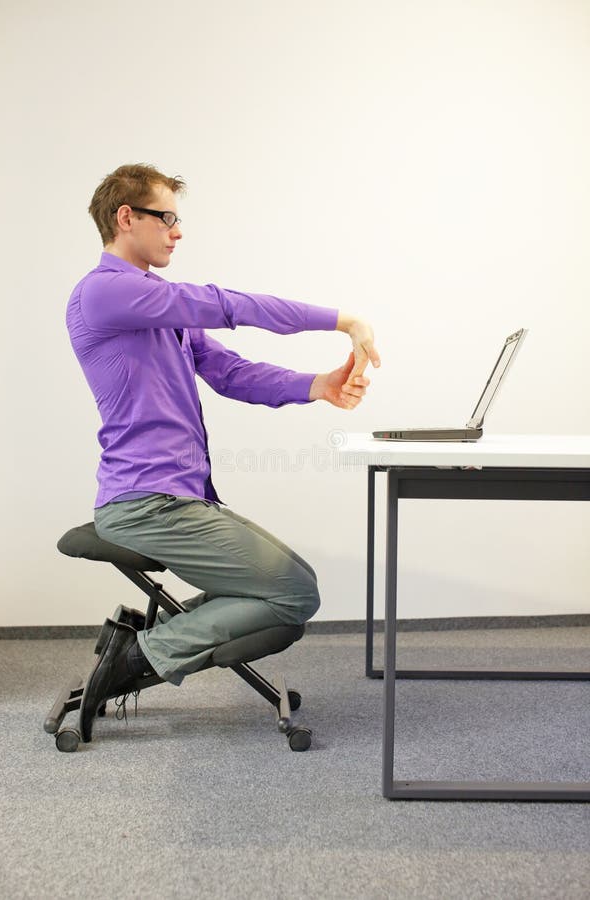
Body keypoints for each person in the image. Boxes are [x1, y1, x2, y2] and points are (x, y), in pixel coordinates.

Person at [66, 163, 380, 739]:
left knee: (293, 585)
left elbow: (231, 372)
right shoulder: (103, 292)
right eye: (167, 218)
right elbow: (224, 304)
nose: (177, 232)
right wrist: (342, 320)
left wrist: (319, 385)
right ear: (126, 217)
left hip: (181, 497)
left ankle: (135, 647)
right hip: (144, 501)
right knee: (293, 592)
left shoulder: (157, 304)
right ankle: (136, 658)